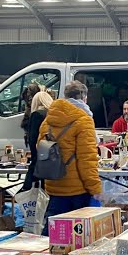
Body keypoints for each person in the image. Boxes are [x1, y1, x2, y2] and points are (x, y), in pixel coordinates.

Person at [39, 80, 101, 225]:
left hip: (53, 184)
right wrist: (95, 187)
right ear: (84, 98)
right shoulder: (84, 120)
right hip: (77, 189)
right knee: (78, 234)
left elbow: (40, 148)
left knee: (54, 233)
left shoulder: (48, 120)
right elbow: (87, 159)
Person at [21, 89, 53, 191]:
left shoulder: (36, 115)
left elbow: (33, 139)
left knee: (28, 193)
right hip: (53, 161)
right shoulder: (53, 114)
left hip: (40, 160)